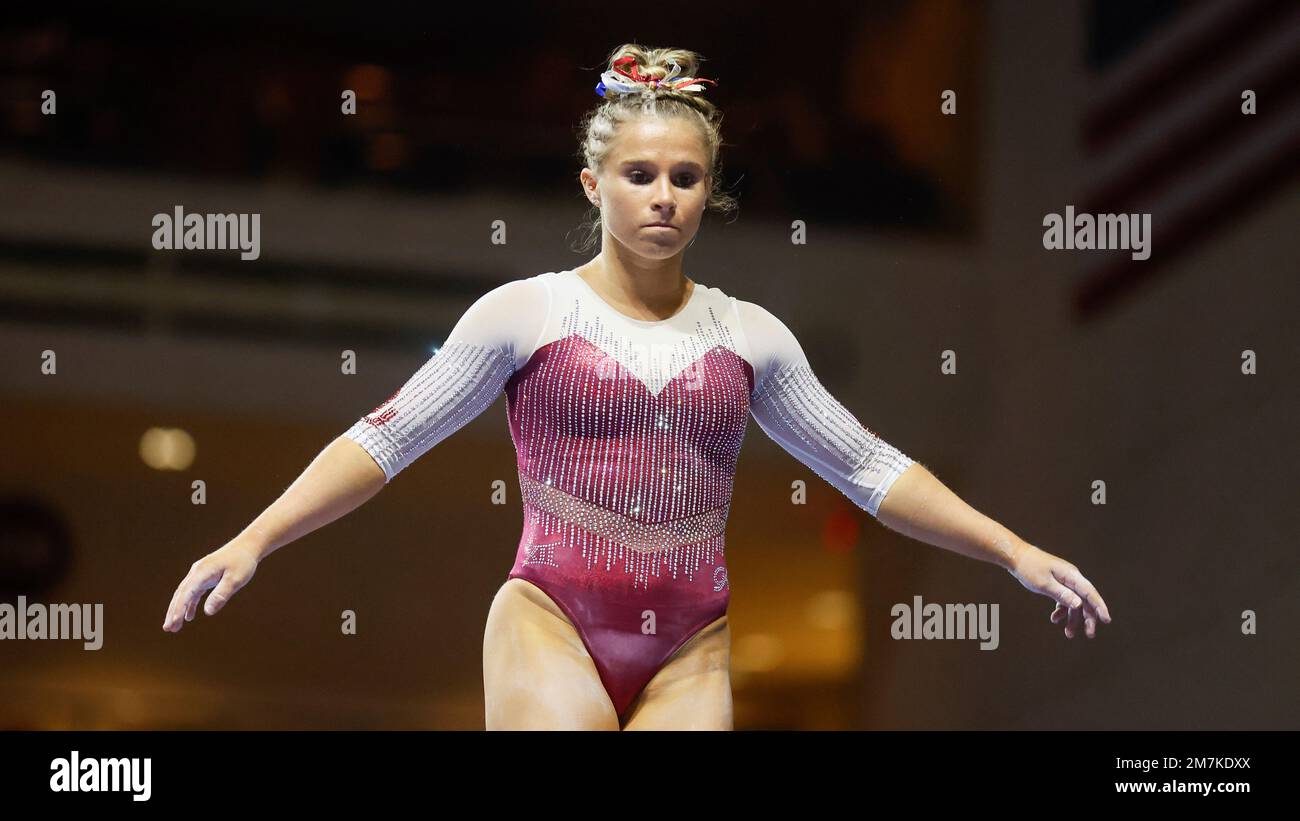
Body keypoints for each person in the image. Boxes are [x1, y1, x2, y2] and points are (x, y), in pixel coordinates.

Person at [162, 44, 1112, 730]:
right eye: (640, 173)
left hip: (690, 642)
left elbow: (871, 469)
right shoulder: (522, 315)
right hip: (551, 617)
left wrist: (1013, 550)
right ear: (592, 185)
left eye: (686, 176)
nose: (664, 194)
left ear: (710, 193)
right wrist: (255, 538)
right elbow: (383, 440)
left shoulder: (750, 337)